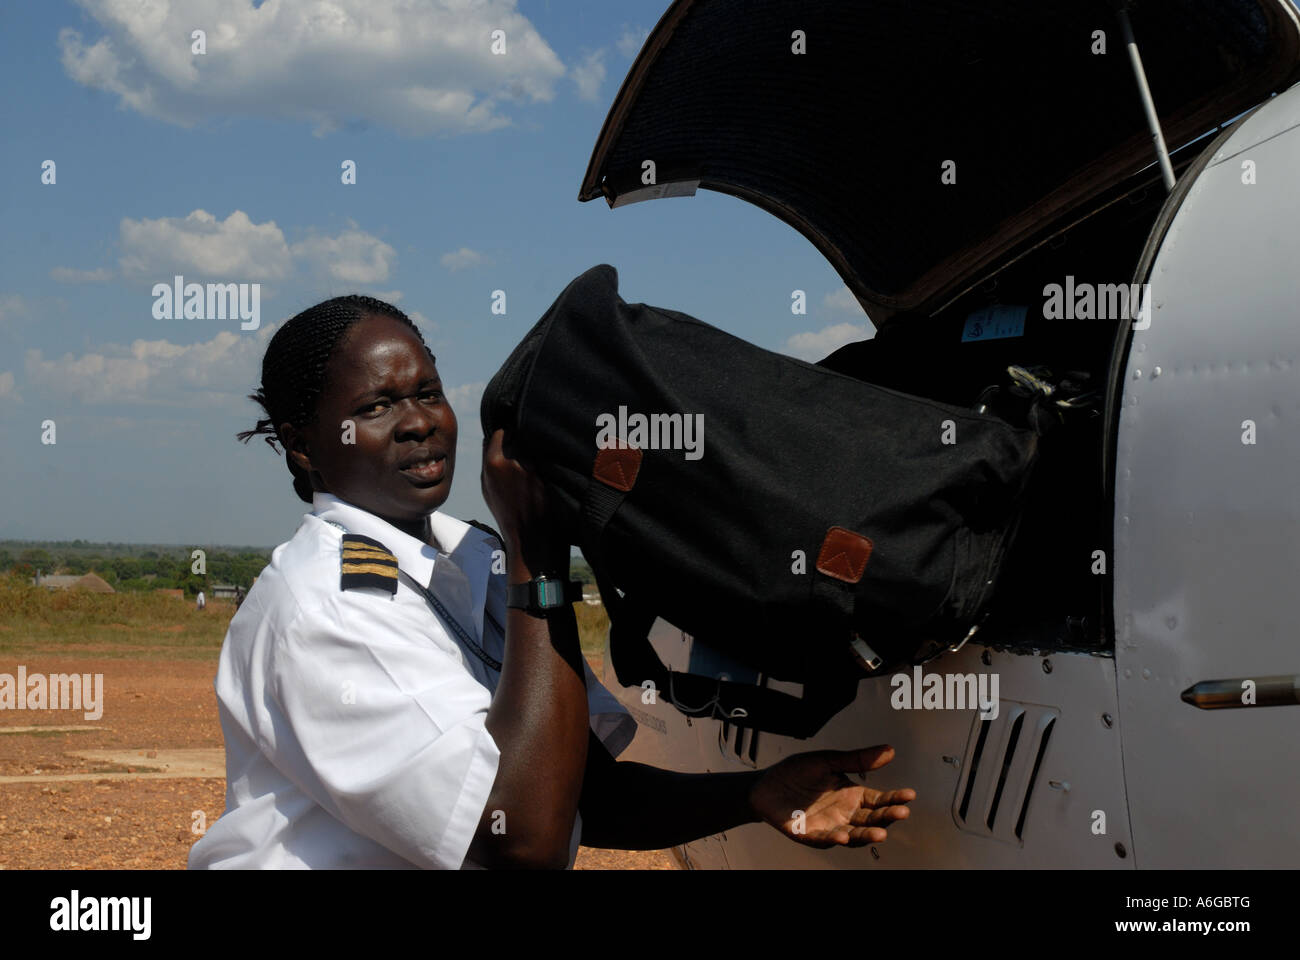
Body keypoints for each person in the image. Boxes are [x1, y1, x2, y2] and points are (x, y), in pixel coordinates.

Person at [188, 294, 915, 870]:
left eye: (427, 392)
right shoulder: (331, 608)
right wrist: (537, 560)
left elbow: (574, 791)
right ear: (303, 445)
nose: (417, 423)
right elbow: (519, 836)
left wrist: (757, 793)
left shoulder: (465, 558)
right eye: (375, 407)